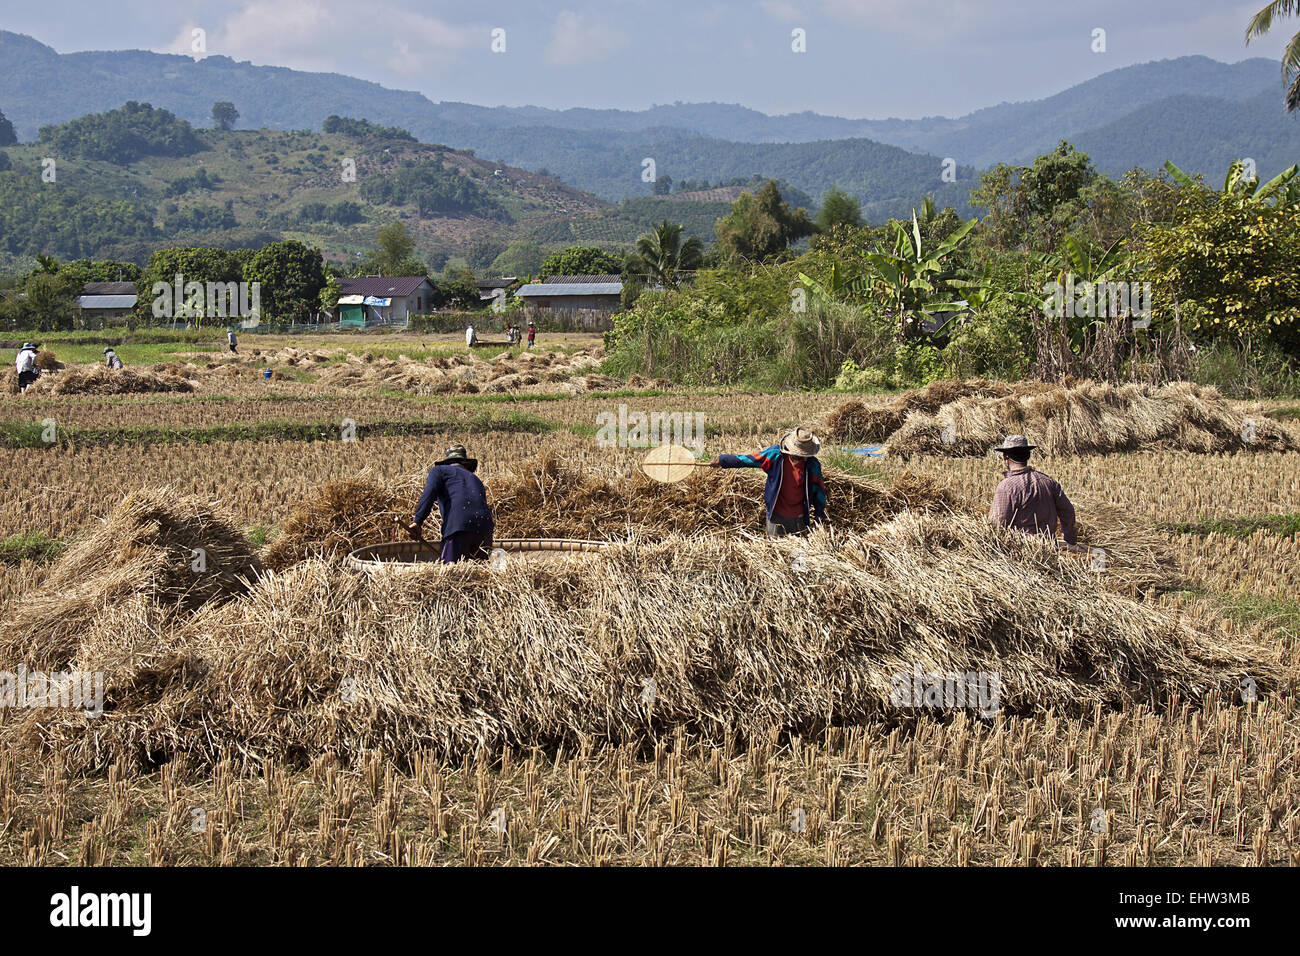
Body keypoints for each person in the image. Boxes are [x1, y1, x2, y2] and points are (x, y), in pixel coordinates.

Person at [709, 426, 828, 537]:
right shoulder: (775, 456)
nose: (800, 460)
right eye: (796, 456)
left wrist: (819, 514)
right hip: (775, 517)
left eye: (803, 457)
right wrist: (723, 460)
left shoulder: (812, 466)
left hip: (799, 519)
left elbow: (819, 490)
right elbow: (748, 460)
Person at [406, 444, 495, 563]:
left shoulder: (439, 470)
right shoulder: (475, 479)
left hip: (459, 526)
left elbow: (429, 493)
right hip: (485, 529)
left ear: (447, 462)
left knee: (453, 575)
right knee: (481, 574)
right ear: (465, 464)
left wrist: (418, 521)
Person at [987, 435, 1078, 547]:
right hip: (1050, 548)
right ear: (1028, 455)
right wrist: (1069, 537)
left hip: (1021, 551)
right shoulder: (1048, 482)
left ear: (1005, 457)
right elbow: (1068, 511)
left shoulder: (1006, 487)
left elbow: (997, 524)